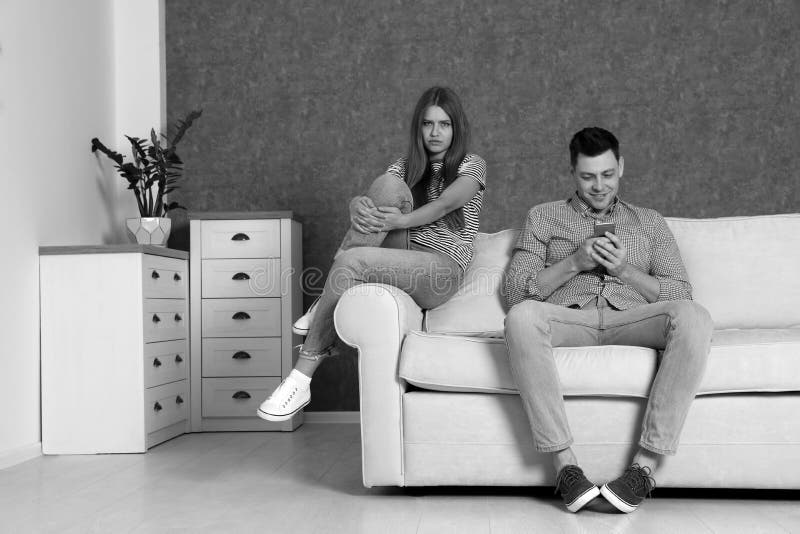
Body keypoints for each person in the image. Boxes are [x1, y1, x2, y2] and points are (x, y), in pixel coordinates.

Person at [503, 127, 712, 513]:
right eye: (587, 177)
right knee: (521, 317)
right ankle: (566, 468)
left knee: (694, 317)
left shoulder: (649, 222)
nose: (599, 186)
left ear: (621, 167)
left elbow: (681, 292)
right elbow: (516, 292)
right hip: (571, 319)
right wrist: (574, 263)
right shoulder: (544, 216)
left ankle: (643, 469)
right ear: (572, 172)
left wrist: (624, 271)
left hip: (633, 319)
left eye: (607, 175)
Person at [258, 86, 487, 422]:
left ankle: (301, 377)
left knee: (352, 262)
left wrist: (402, 220)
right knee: (386, 185)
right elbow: (376, 199)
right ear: (418, 127)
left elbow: (445, 204)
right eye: (428, 124)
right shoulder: (405, 166)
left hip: (440, 271)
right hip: (399, 255)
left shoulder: (472, 164)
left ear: (457, 128)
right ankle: (328, 300)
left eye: (444, 124)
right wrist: (356, 205)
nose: (435, 132)